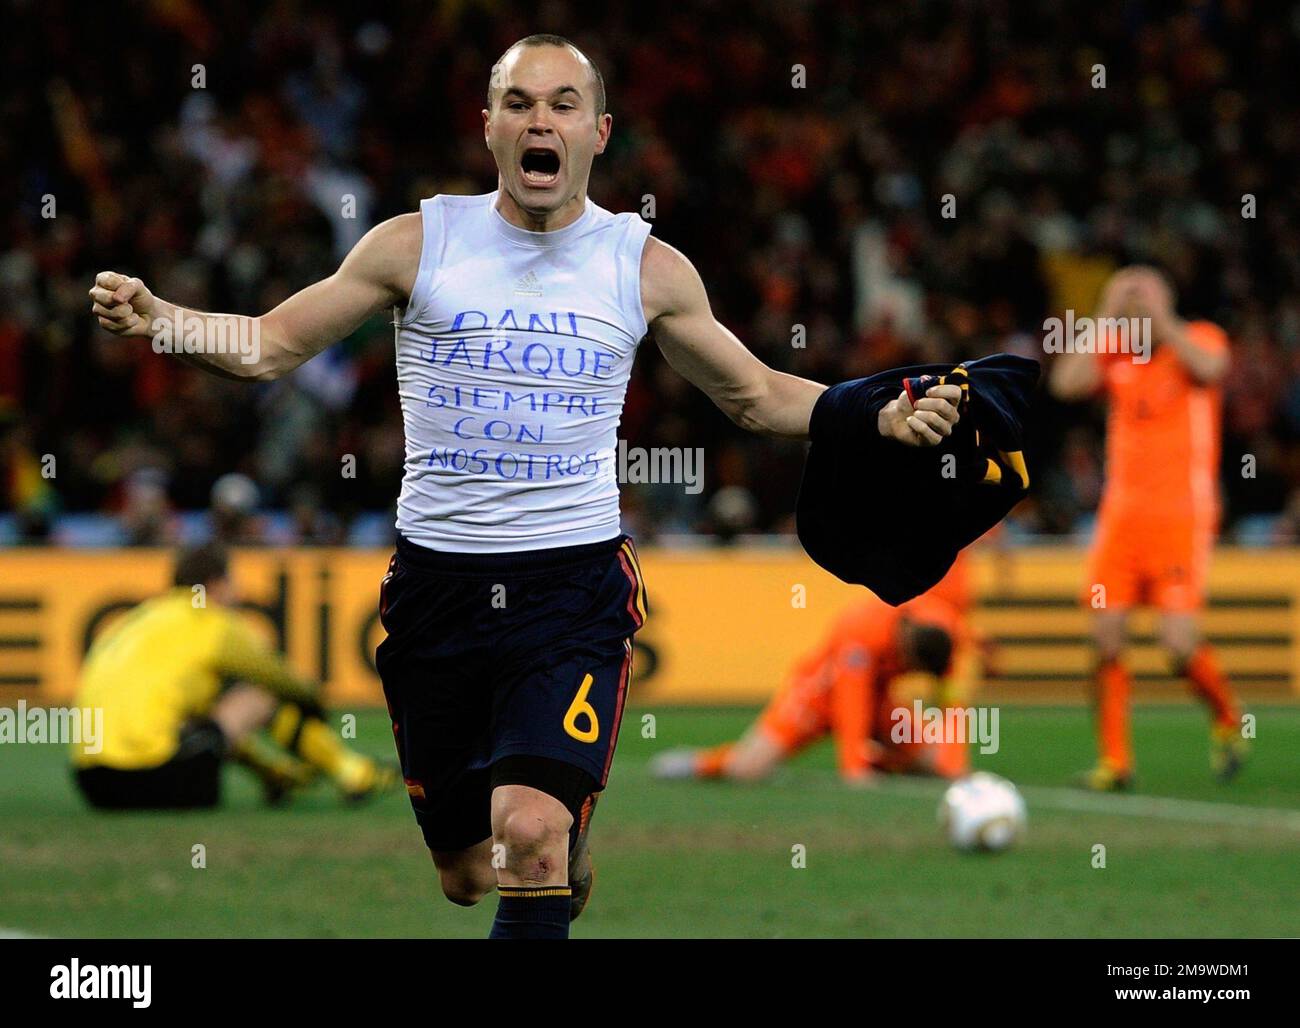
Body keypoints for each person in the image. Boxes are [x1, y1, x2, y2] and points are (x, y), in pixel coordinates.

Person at [88, 34, 963, 937]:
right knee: (469, 872)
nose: (539, 120)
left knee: (530, 834)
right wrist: (164, 320)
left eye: (562, 104)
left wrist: (876, 415)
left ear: (599, 132)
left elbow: (755, 394)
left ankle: (551, 835)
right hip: (438, 594)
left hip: (571, 591)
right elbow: (271, 345)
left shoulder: (645, 265)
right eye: (519, 103)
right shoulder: (415, 244)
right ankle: (553, 853)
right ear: (489, 127)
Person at [1049, 265, 1247, 790]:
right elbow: (1066, 384)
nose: (1137, 305)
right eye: (1129, 295)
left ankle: (1228, 718)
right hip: (1121, 520)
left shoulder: (1197, 339)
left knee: (1178, 645)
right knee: (1105, 637)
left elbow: (1213, 365)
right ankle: (1116, 762)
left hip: (1181, 517)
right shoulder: (1117, 349)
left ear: (1168, 299)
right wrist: (1102, 313)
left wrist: (1162, 317)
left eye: (1146, 294)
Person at [71, 542, 396, 809]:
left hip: (94, 785)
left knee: (201, 714)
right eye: (232, 581)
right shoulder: (213, 623)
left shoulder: (132, 621)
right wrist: (315, 706)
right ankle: (352, 772)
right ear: (216, 584)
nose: (237, 592)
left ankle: (275, 776)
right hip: (159, 780)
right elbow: (284, 680)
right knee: (258, 696)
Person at [650, 590, 974, 785]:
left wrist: (956, 765)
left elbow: (953, 703)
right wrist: (853, 768)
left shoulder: (946, 633)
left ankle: (884, 764)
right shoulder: (863, 628)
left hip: (879, 701)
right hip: (819, 694)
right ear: (905, 642)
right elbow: (851, 700)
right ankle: (704, 762)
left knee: (937, 765)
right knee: (747, 770)